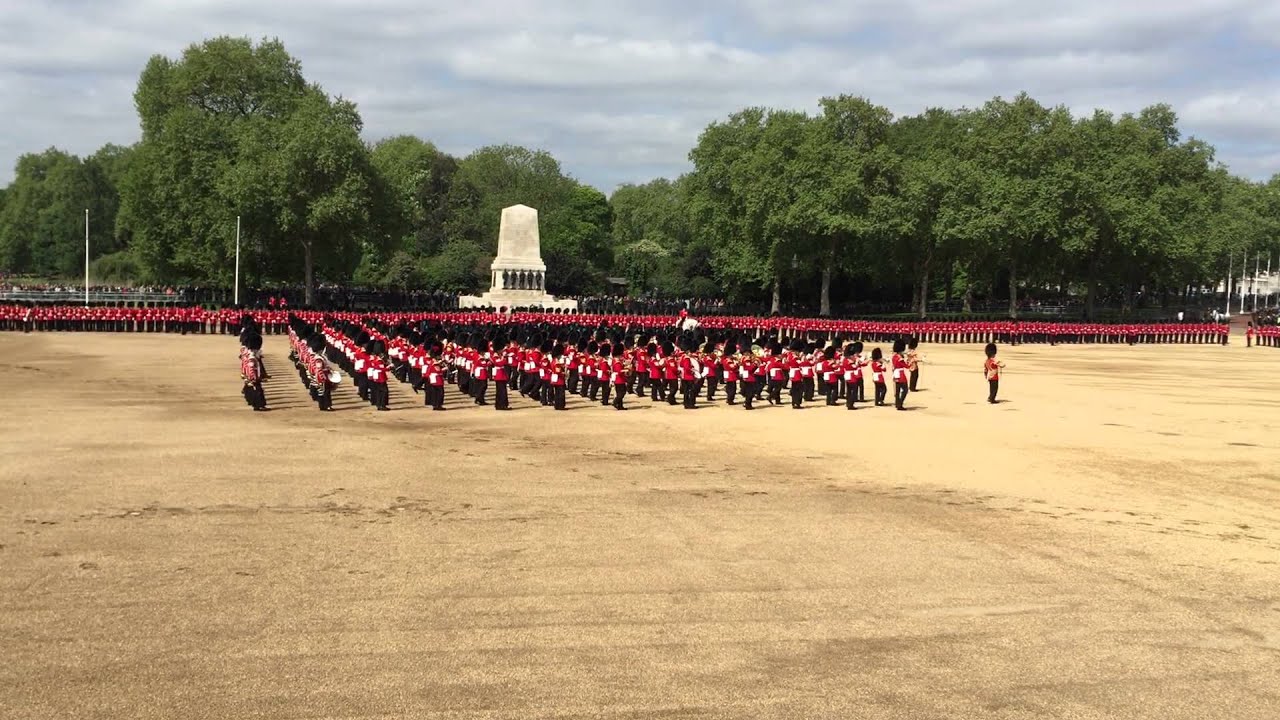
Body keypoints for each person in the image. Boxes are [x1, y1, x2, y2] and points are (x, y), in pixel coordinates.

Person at [891, 339, 910, 410]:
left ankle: (897, 403)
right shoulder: (900, 358)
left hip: (895, 373)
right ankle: (900, 404)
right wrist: (909, 361)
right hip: (900, 374)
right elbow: (907, 366)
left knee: (897, 390)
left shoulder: (894, 356)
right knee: (905, 389)